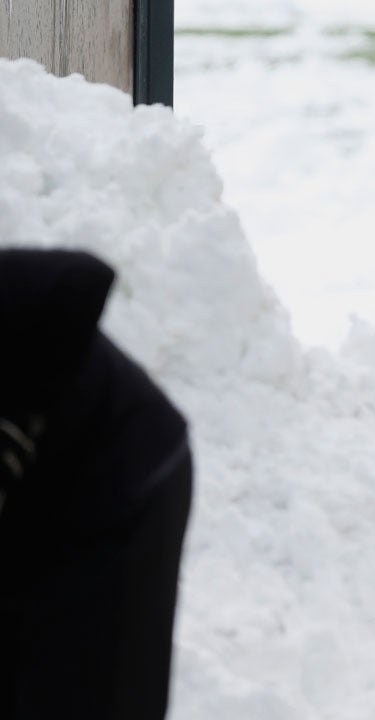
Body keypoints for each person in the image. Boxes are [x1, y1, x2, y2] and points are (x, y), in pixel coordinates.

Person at [0, 248, 192, 719]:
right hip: (43, 490)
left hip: (130, 472)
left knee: (92, 692)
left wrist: (15, 417)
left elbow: (82, 276)